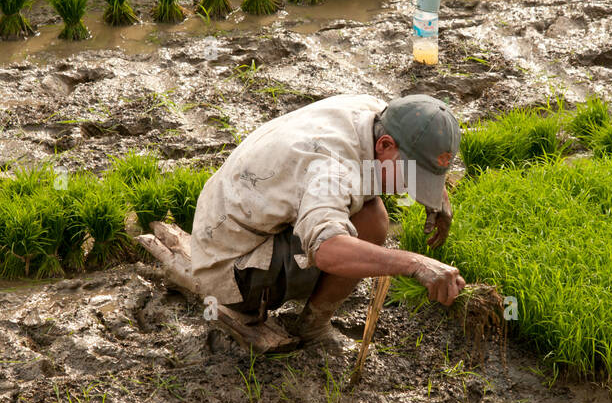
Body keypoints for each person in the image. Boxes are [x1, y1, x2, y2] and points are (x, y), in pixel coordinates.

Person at [190, 93, 466, 344]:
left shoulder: (374, 114)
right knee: (371, 222)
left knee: (369, 200)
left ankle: (310, 318)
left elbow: (404, 149)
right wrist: (414, 264)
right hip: (233, 266)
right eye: (412, 177)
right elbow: (326, 249)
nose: (408, 187)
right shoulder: (330, 172)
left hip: (232, 216)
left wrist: (434, 194)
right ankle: (313, 325)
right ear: (384, 144)